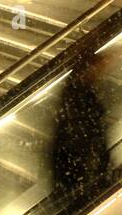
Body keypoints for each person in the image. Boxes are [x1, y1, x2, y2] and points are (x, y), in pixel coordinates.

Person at [48, 54, 112, 201]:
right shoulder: (83, 96)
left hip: (68, 162)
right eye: (100, 65)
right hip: (77, 163)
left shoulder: (73, 90)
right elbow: (89, 134)